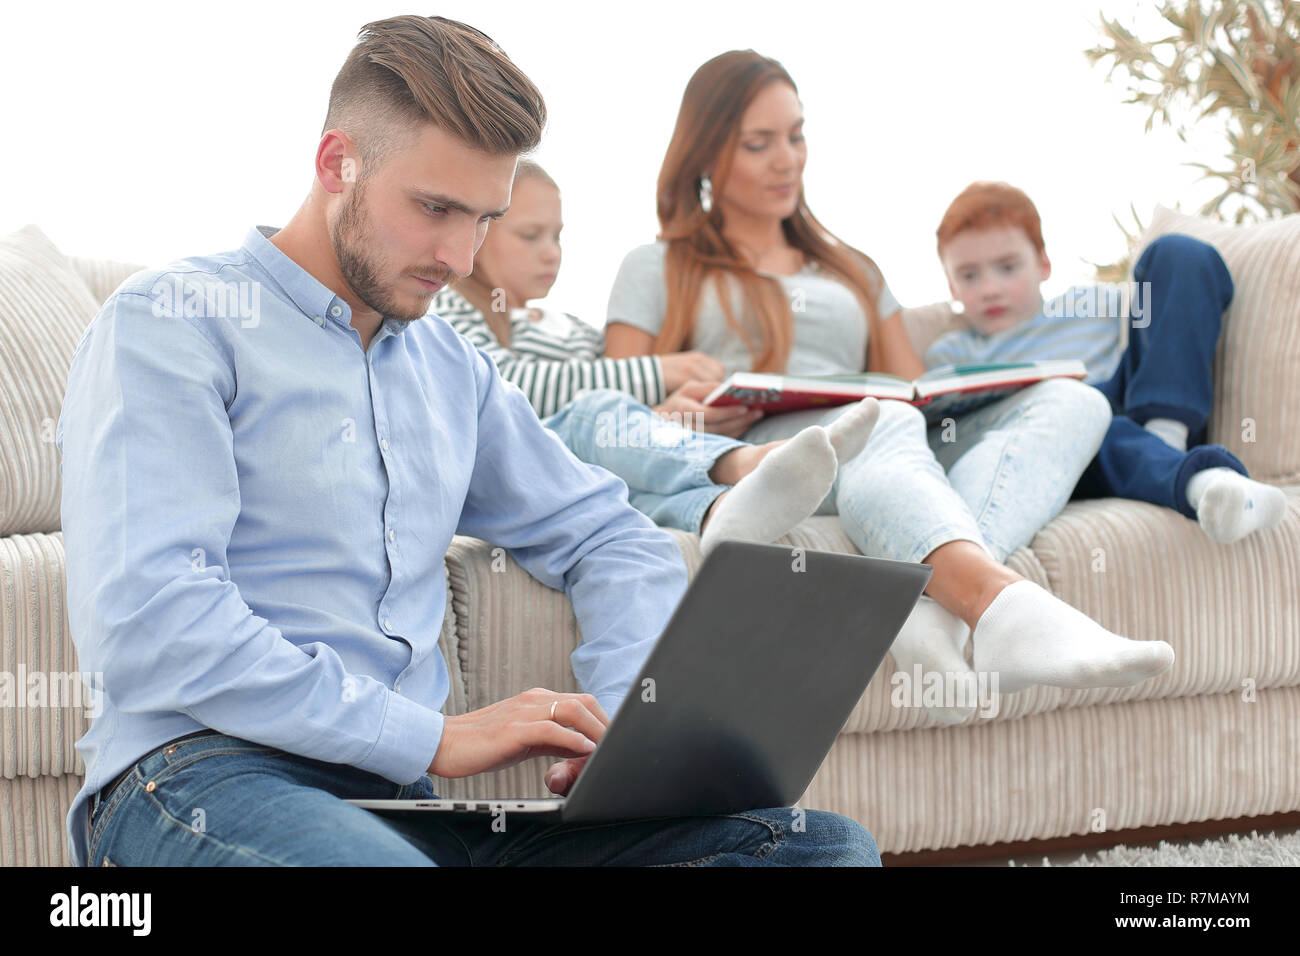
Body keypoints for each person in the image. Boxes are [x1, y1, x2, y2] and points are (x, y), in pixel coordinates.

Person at [56, 17, 878, 867]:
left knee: (812, 851)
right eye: (435, 208)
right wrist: (428, 738)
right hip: (203, 778)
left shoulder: (451, 370)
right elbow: (152, 617)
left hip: (409, 815)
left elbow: (607, 533)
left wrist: (631, 733)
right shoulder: (172, 322)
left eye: (484, 218)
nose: (459, 254)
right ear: (336, 161)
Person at [603, 50, 1177, 724]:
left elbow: (911, 385)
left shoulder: (851, 268)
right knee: (883, 421)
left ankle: (933, 604)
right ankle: (999, 603)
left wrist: (966, 395)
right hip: (774, 448)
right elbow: (624, 409)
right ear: (704, 155)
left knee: (1074, 403)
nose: (788, 159)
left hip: (885, 440)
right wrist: (682, 416)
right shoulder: (655, 265)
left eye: (796, 135)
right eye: (759, 144)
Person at [432, 158, 881, 553]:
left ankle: (721, 510)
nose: (552, 253)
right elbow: (508, 383)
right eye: (531, 236)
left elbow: (618, 401)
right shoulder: (450, 309)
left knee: (628, 488)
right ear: (480, 231)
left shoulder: (570, 329)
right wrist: (658, 371)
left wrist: (665, 412)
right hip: (517, 465)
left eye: (558, 236)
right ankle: (746, 462)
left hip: (580, 478)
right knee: (595, 411)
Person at [929, 181, 1287, 544]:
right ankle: (1205, 484)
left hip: (1140, 402)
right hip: (1068, 441)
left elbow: (1168, 313)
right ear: (952, 287)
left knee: (1177, 255)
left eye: (1007, 267)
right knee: (1088, 420)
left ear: (1043, 264)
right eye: (969, 276)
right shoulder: (954, 352)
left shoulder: (1092, 302)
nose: (990, 288)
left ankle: (1166, 435)